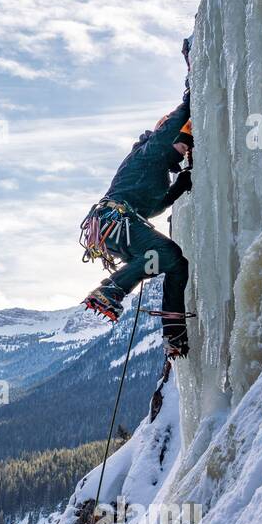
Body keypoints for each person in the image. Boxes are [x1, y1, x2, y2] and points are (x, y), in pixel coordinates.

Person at [79, 71, 195, 358]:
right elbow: (178, 119)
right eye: (183, 144)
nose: (184, 150)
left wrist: (181, 184)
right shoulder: (152, 150)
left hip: (113, 227)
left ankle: (174, 334)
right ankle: (112, 289)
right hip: (115, 220)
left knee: (174, 264)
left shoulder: (155, 171)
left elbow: (153, 208)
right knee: (168, 254)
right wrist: (193, 91)